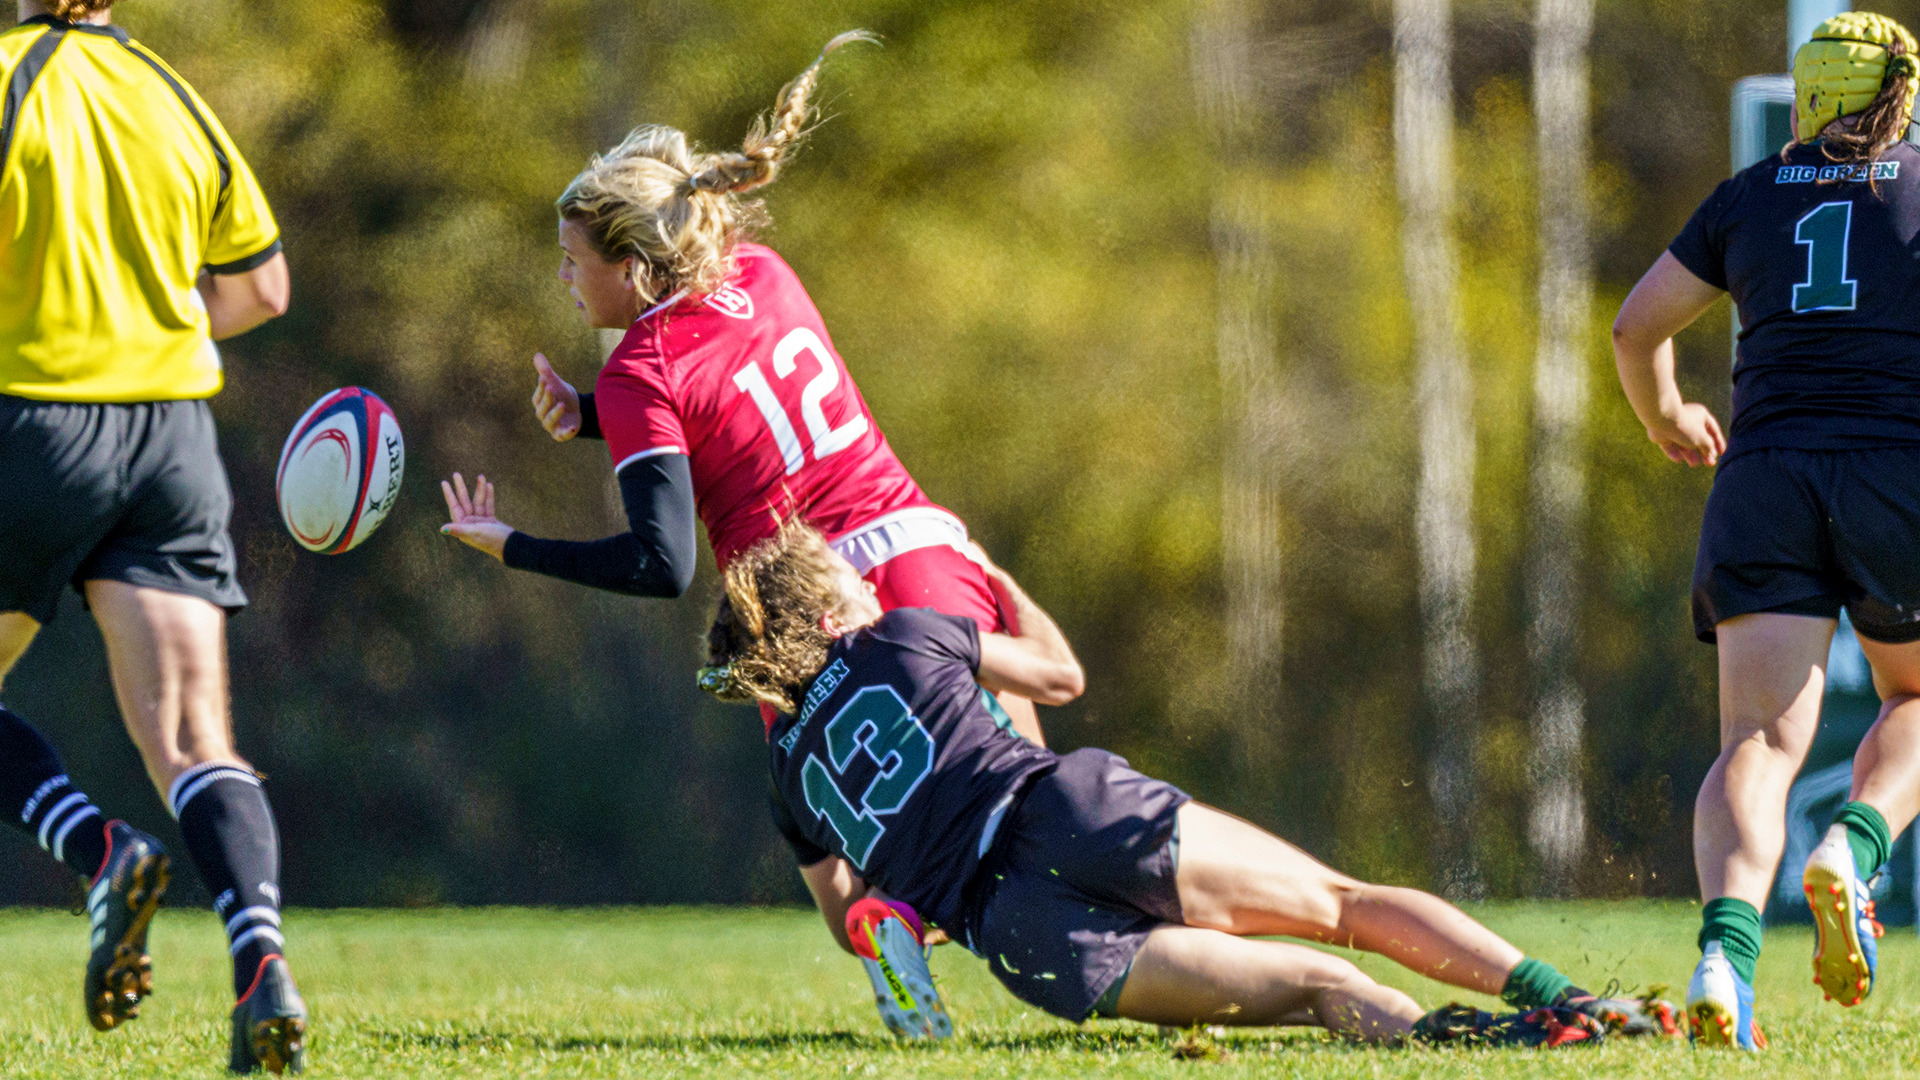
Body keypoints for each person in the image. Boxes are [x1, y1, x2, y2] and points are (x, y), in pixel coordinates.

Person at [698, 520, 1678, 1045]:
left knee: (1323, 989)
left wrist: (902, 896)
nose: (866, 580)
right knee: (1343, 907)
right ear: (826, 613)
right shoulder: (903, 633)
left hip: (1019, 933)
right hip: (1070, 812)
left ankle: (1482, 1049)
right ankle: (1572, 1003)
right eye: (846, 573)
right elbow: (1060, 676)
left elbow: (846, 924)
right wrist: (990, 574)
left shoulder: (788, 780)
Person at [436, 31, 1046, 746]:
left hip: (812, 621)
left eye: (572, 261)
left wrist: (514, 546)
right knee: (1041, 816)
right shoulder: (761, 270)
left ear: (632, 269)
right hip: (922, 555)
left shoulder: (639, 371)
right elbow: (734, 399)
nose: (564, 278)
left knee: (846, 861)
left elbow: (662, 565)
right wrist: (591, 415)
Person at [0, 1, 304, 1072]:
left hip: (31, 420)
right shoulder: (170, 94)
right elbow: (261, 286)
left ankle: (99, 851)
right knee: (194, 741)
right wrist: (152, 320)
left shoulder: (6, 79)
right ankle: (261, 958)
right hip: (172, 437)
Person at [1612, 10, 1920, 1051]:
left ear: (1805, 98)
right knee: (1918, 693)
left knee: (1757, 740)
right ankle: (1854, 847)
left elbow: (1636, 326)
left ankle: (1724, 960)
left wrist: (1665, 416)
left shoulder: (1747, 196)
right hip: (1896, 474)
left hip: (1764, 475)